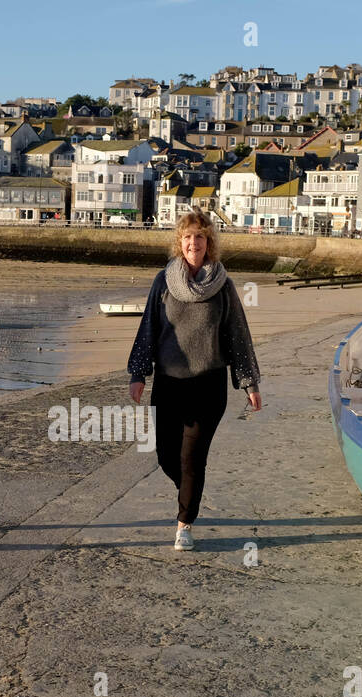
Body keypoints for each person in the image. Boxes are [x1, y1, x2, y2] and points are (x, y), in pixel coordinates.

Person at [127, 209, 262, 551]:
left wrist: (249, 383)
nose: (193, 243)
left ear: (209, 243)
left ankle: (184, 523)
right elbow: (148, 328)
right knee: (166, 455)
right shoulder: (164, 281)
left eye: (199, 237)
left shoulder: (223, 285)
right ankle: (190, 488)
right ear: (180, 242)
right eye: (187, 237)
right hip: (170, 384)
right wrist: (138, 374)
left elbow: (237, 335)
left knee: (192, 459)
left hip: (208, 385)